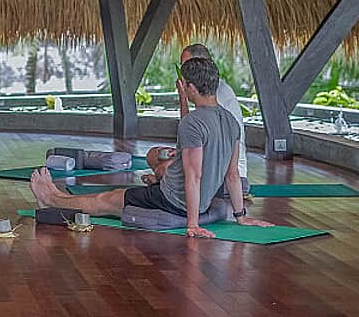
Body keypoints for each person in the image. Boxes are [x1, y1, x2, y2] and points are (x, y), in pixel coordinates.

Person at [29, 57, 270, 238]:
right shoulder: (230, 121)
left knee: (107, 199)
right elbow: (232, 175)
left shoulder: (193, 122)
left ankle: (52, 198)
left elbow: (194, 176)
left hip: (170, 200)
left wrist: (192, 224)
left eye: (185, 85)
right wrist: (241, 217)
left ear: (190, 87)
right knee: (123, 192)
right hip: (195, 200)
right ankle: (58, 196)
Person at [143, 44, 248, 196]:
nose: (182, 72)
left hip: (224, 175)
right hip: (207, 158)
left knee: (163, 170)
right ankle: (166, 185)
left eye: (187, 66)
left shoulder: (216, 93)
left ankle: (166, 187)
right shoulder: (203, 90)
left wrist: (183, 155)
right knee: (154, 155)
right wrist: (183, 97)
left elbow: (214, 148)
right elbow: (189, 129)